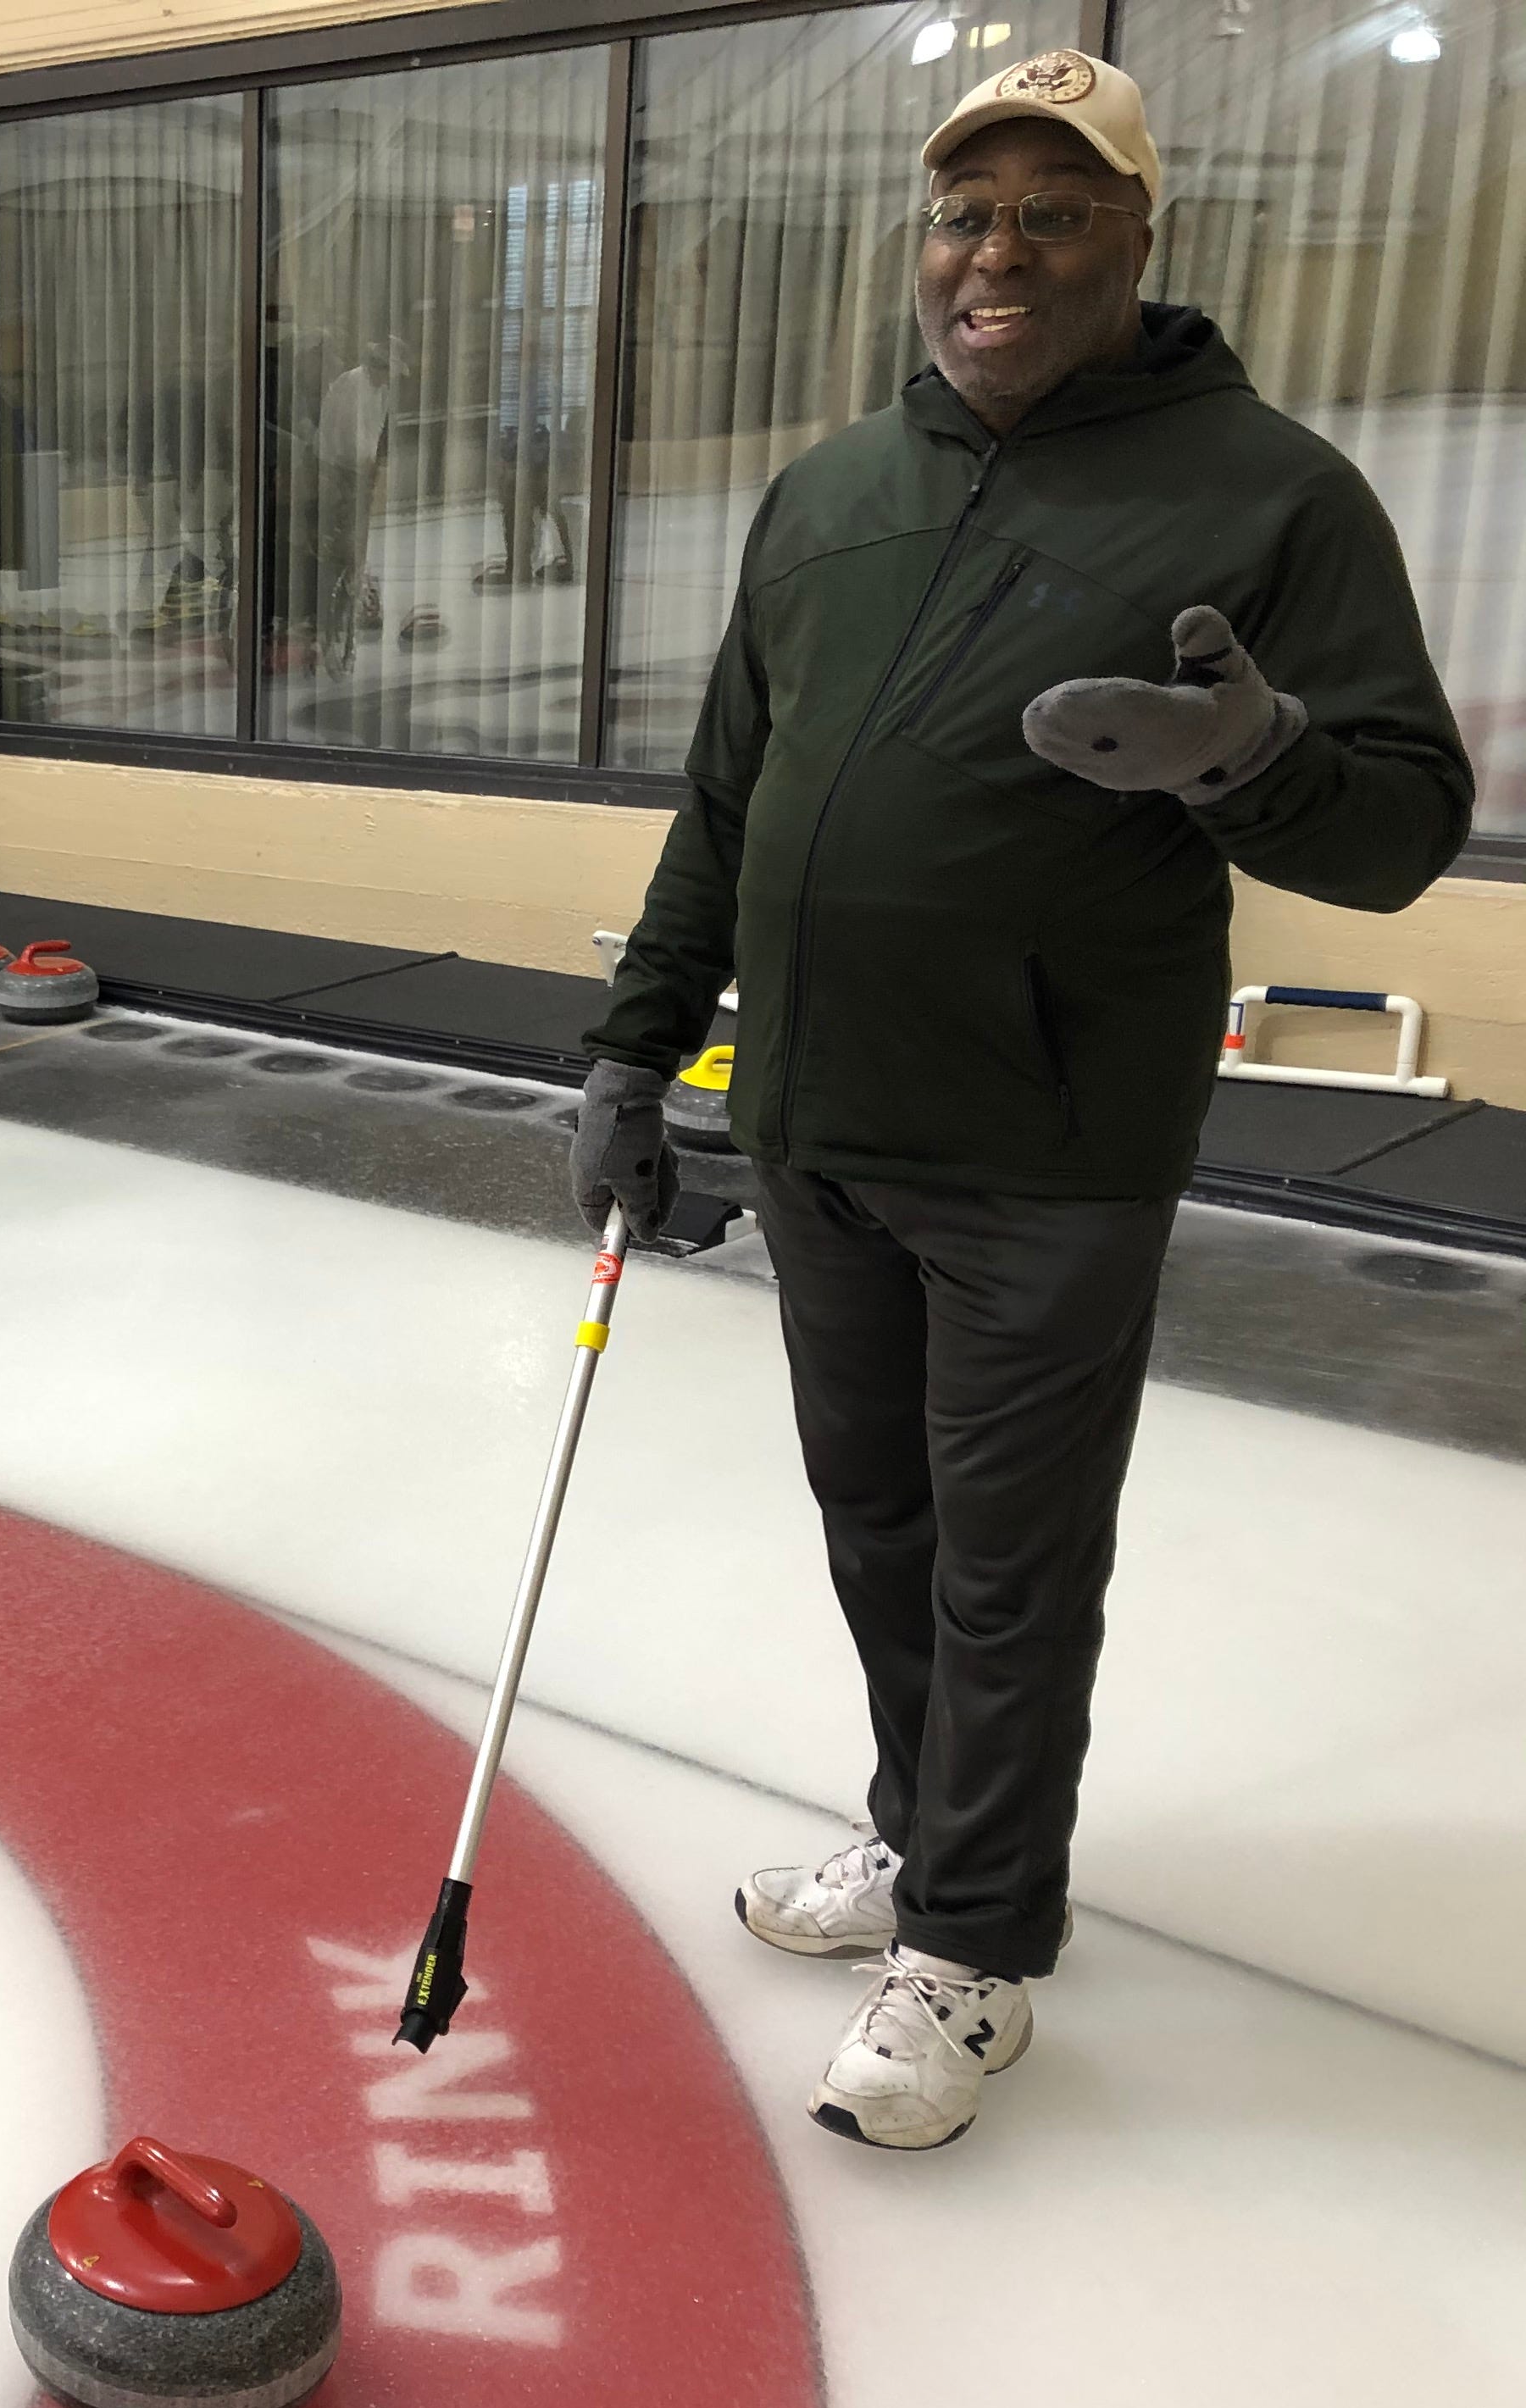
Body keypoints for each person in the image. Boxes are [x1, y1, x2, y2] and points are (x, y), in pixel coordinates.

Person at [573, 50, 1468, 2152]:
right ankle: (924, 1834)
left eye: (1057, 213)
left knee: (1009, 1563)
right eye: (968, 212)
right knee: (879, 1521)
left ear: (1137, 240)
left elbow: (1406, 825)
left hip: (1049, 1144)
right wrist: (634, 1044)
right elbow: (730, 797)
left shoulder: (1268, 493)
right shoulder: (828, 494)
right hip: (820, 1119)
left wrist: (1253, 760)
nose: (1000, 253)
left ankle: (975, 1947)